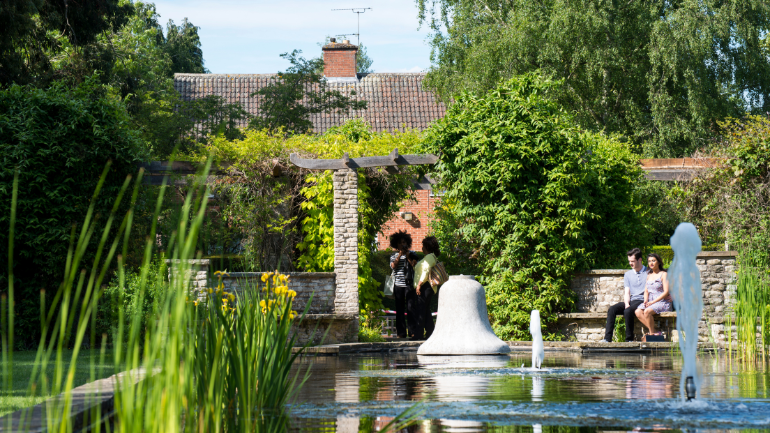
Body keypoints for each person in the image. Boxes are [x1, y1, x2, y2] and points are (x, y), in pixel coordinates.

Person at [600, 248, 648, 343]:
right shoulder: (628, 274)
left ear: (640, 260)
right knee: (612, 309)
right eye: (629, 261)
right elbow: (627, 292)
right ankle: (607, 339)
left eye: (632, 261)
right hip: (632, 300)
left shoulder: (648, 272)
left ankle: (629, 339)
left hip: (642, 300)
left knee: (628, 311)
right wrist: (626, 303)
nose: (630, 263)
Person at [411, 236, 441, 341]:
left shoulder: (429, 257)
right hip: (426, 287)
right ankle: (430, 334)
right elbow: (421, 269)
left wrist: (419, 284)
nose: (422, 248)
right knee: (426, 311)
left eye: (423, 246)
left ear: (427, 247)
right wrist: (414, 265)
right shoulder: (428, 257)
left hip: (425, 286)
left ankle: (418, 336)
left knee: (421, 311)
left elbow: (426, 271)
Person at [635, 253, 672, 335]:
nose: (651, 263)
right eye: (649, 261)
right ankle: (655, 332)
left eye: (653, 261)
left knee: (647, 311)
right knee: (638, 312)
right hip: (650, 301)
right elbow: (646, 291)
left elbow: (666, 292)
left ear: (658, 262)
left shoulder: (664, 274)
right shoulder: (648, 275)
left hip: (662, 301)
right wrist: (645, 301)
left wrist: (653, 302)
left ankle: (651, 334)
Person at [390, 230, 416, 338]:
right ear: (396, 244)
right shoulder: (393, 256)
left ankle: (412, 331)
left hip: (409, 285)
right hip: (398, 285)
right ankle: (401, 332)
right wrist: (399, 256)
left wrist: (408, 256)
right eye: (400, 243)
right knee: (399, 309)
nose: (402, 245)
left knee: (411, 308)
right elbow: (393, 266)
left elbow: (414, 265)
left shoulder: (412, 254)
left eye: (404, 242)